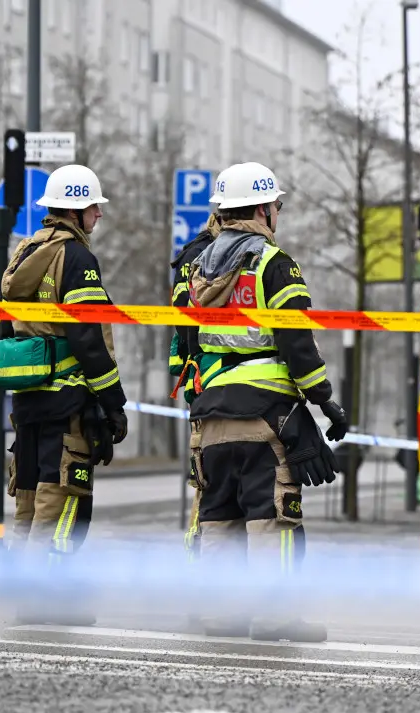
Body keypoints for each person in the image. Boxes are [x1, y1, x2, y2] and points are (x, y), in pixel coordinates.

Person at [184, 161, 347, 643]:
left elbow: (188, 339)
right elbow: (297, 343)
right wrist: (324, 401)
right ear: (262, 208)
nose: (278, 211)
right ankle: (275, 618)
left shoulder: (199, 264)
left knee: (219, 517)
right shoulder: (273, 263)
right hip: (264, 417)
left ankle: (220, 615)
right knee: (272, 519)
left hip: (210, 416)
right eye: (276, 204)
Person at [0, 163, 129, 624]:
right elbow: (88, 339)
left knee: (28, 505)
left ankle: (24, 597)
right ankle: (47, 602)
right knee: (63, 505)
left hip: (29, 401)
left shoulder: (23, 253)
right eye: (95, 207)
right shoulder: (76, 259)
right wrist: (114, 403)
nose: (99, 216)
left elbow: (6, 326)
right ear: (79, 210)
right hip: (68, 402)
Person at [169, 166, 232, 562]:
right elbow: (187, 323)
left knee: (211, 489)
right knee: (209, 491)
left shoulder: (194, 254)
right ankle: (200, 579)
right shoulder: (203, 257)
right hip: (209, 386)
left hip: (205, 387)